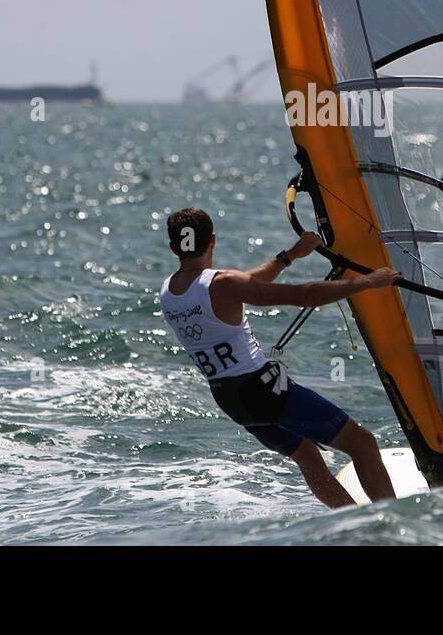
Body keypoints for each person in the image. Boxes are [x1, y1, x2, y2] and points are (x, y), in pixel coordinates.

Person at [159, 206, 400, 507]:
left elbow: (245, 285)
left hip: (232, 400)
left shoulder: (169, 292)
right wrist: (368, 282)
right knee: (363, 444)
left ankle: (357, 525)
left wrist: (290, 256)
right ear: (213, 241)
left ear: (173, 247)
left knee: (309, 459)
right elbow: (303, 295)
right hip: (263, 390)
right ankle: (393, 524)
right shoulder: (223, 284)